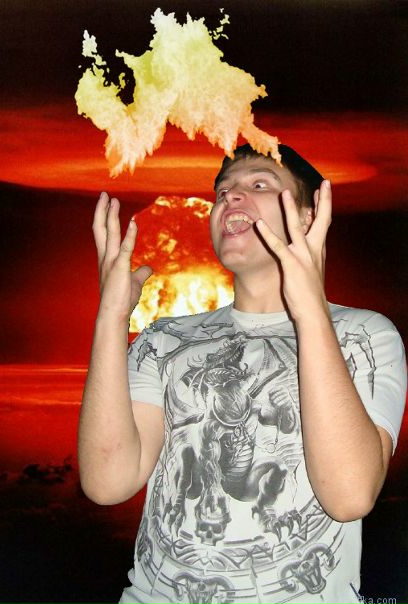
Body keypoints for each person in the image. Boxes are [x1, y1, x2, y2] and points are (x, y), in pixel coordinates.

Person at [78, 144, 406, 603]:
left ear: (308, 217)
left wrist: (309, 307)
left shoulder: (364, 335)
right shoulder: (164, 338)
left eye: (259, 183)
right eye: (223, 191)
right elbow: (107, 481)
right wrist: (111, 317)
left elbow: (349, 496)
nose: (231, 196)